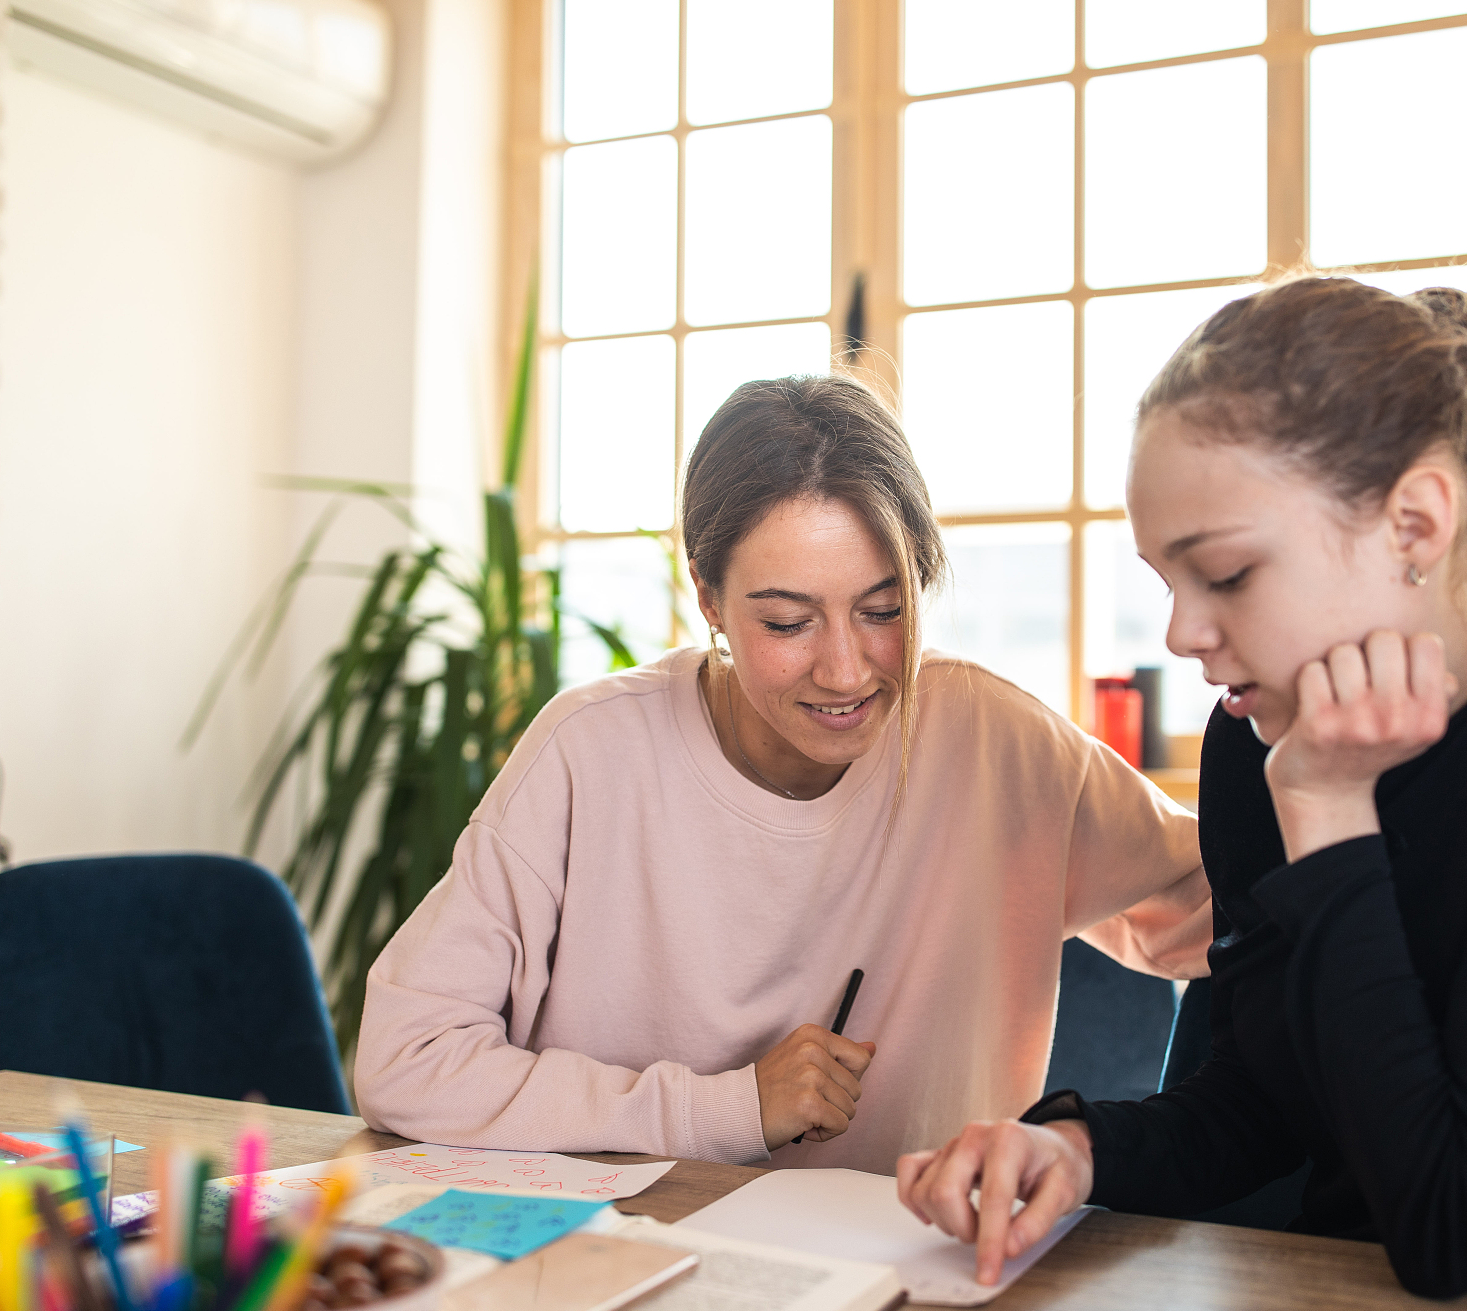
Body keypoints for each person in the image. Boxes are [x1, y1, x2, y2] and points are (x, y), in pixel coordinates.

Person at [895, 277, 1467, 1299]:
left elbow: (1452, 1234)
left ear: (1414, 526)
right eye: (1167, 582)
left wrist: (1331, 814)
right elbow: (1262, 1102)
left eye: (1228, 576)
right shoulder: (1252, 743)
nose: (1179, 635)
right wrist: (1080, 1149)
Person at [353, 373, 1214, 1172]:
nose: (846, 670)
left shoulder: (998, 742)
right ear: (709, 597)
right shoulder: (590, 752)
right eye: (788, 622)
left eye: (884, 611)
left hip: (917, 1282)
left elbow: (1236, 912)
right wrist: (722, 1108)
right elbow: (406, 1058)